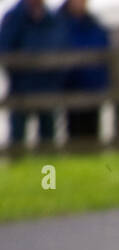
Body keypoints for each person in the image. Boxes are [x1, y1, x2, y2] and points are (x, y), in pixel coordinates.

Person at [0, 0, 66, 147]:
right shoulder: (14, 18)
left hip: (47, 87)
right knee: (17, 139)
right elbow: (5, 50)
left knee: (48, 140)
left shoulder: (51, 18)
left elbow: (61, 47)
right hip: (20, 87)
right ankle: (16, 167)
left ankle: (48, 168)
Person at [57, 0, 107, 142]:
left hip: (92, 85)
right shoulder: (59, 24)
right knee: (74, 130)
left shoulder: (93, 23)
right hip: (70, 86)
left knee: (92, 132)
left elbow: (104, 49)